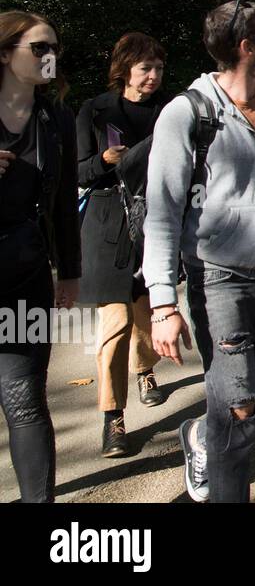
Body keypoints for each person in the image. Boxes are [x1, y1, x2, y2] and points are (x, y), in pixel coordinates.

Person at [144, 0, 255, 503]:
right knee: (238, 404)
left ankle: (202, 434)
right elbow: (162, 210)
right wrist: (162, 303)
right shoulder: (188, 112)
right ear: (247, 47)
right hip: (217, 277)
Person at [76, 32, 170, 460]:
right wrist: (103, 162)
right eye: (145, 68)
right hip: (106, 226)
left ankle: (145, 369)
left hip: (151, 224)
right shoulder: (94, 111)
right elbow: (78, 172)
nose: (153, 76)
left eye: (159, 68)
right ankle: (112, 417)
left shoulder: (168, 112)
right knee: (114, 325)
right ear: (125, 70)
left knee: (147, 313)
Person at [0, 12, 79, 502]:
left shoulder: (56, 119)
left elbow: (65, 200)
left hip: (22, 275)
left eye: (54, 48)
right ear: (5, 54)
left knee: (24, 397)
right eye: (37, 48)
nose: (49, 57)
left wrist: (69, 272)